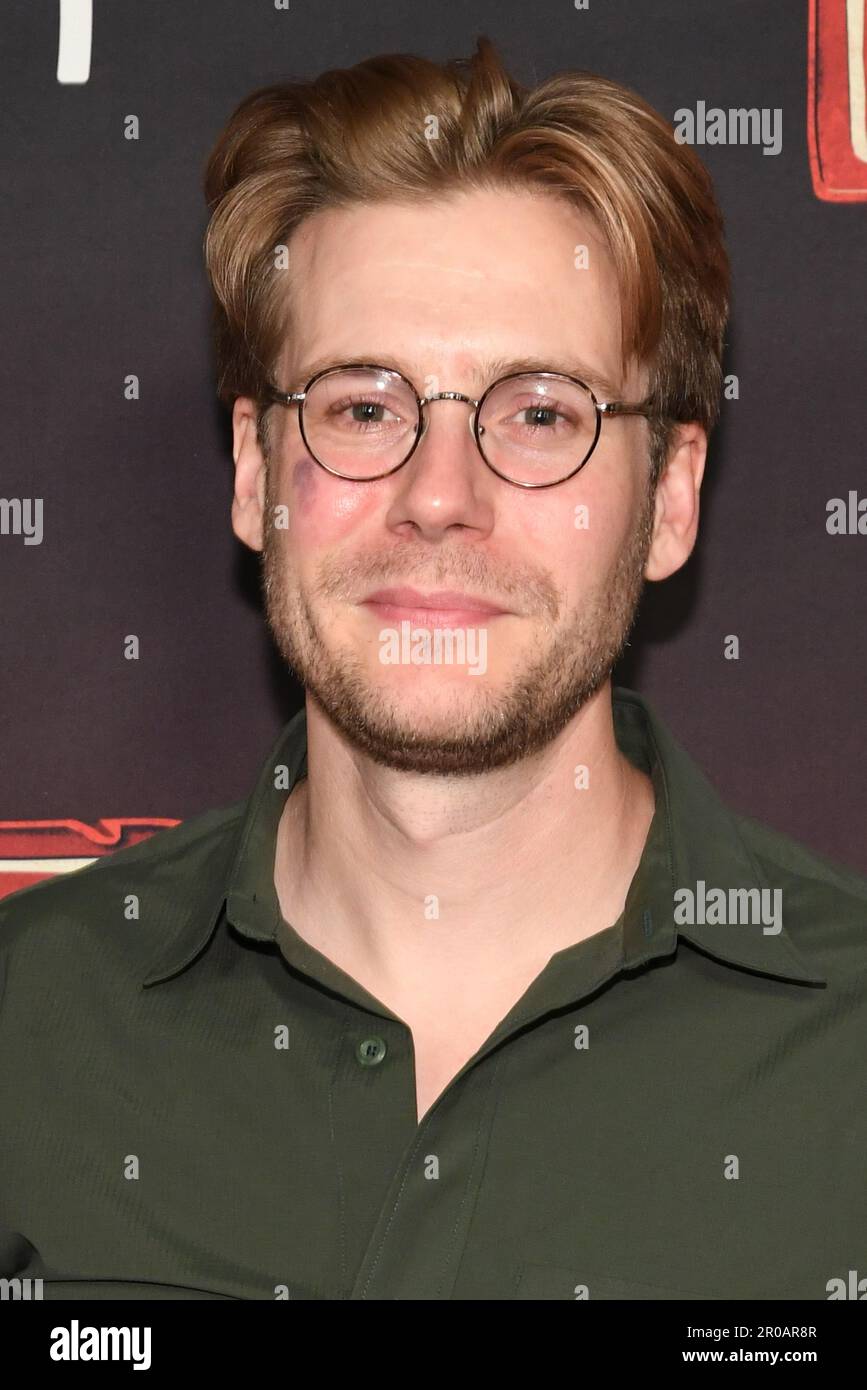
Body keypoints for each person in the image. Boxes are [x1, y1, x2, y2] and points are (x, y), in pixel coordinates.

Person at [2, 36, 865, 1303]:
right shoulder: (32, 1026)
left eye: (538, 413)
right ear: (253, 472)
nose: (438, 496)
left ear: (671, 498)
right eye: (361, 406)